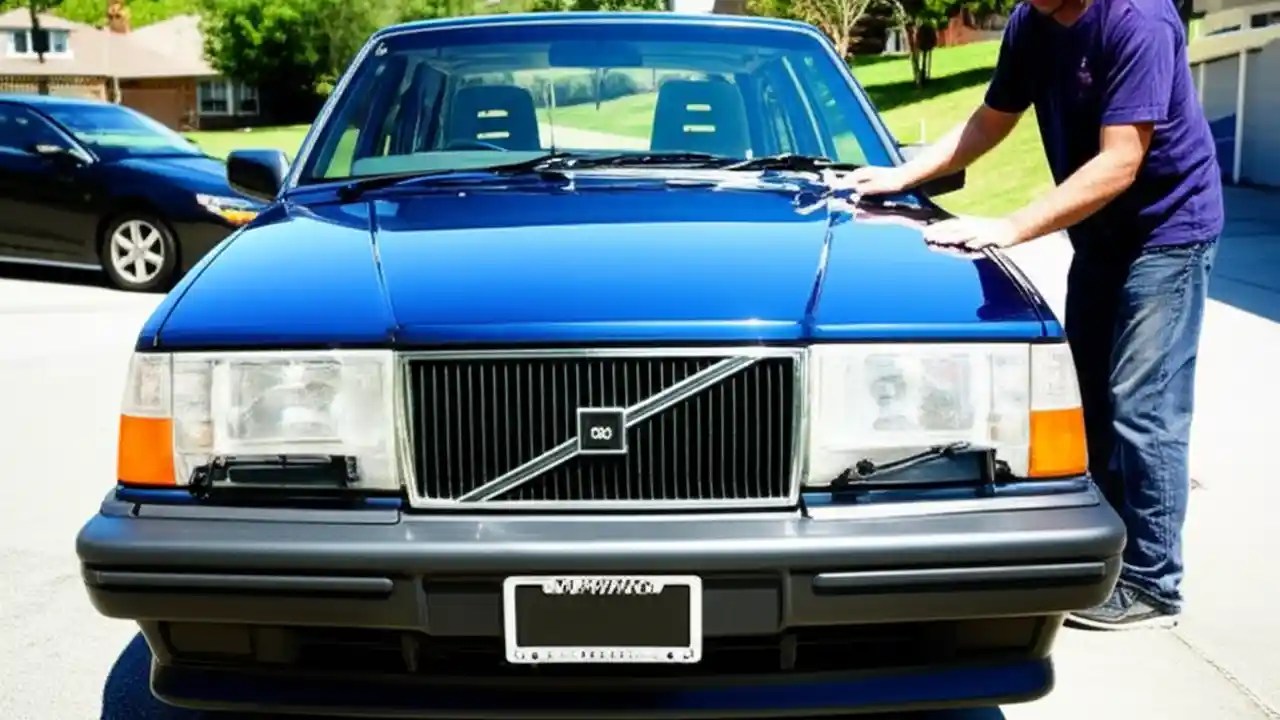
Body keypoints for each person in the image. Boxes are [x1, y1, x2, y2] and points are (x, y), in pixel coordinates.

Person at [840, 0, 1222, 630]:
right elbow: (990, 122)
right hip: (1100, 236)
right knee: (1091, 401)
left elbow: (1121, 160)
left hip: (1167, 233)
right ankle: (1102, 559)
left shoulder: (1137, 19)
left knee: (1143, 406)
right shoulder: (1030, 22)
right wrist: (900, 176)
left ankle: (1155, 583)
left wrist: (1012, 226)